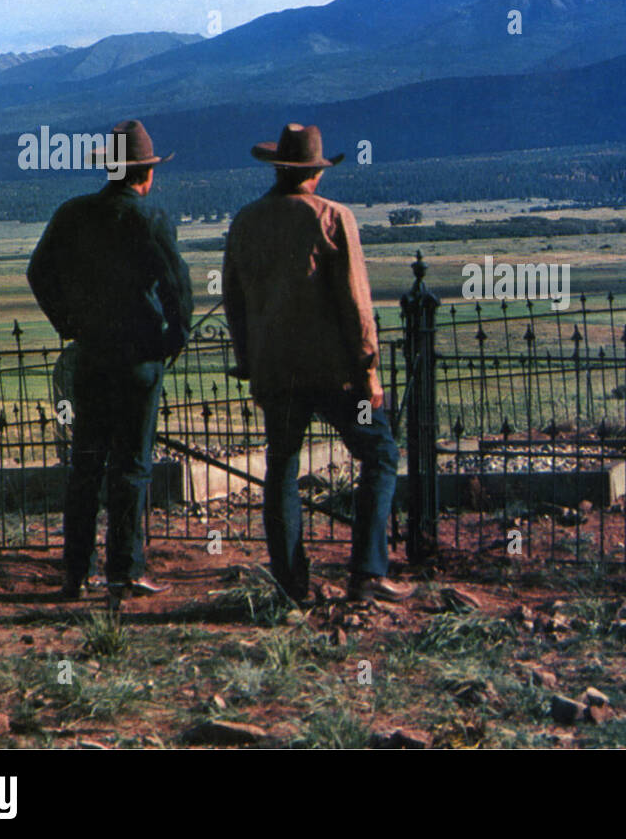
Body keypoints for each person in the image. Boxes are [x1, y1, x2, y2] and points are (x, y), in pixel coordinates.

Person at [222, 123, 413, 604]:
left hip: (276, 371)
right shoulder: (334, 218)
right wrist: (368, 372)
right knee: (381, 453)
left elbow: (235, 302)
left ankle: (290, 584)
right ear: (315, 172)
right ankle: (367, 572)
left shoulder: (245, 221)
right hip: (337, 375)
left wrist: (249, 363)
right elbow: (356, 303)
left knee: (282, 468)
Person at [27, 120, 193, 602]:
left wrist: (70, 323)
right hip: (140, 359)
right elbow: (179, 291)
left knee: (85, 466)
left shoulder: (73, 214)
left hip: (92, 355)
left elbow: (39, 271)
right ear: (146, 174)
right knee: (132, 465)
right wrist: (172, 341)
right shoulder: (150, 219)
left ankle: (75, 571)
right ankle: (125, 569)